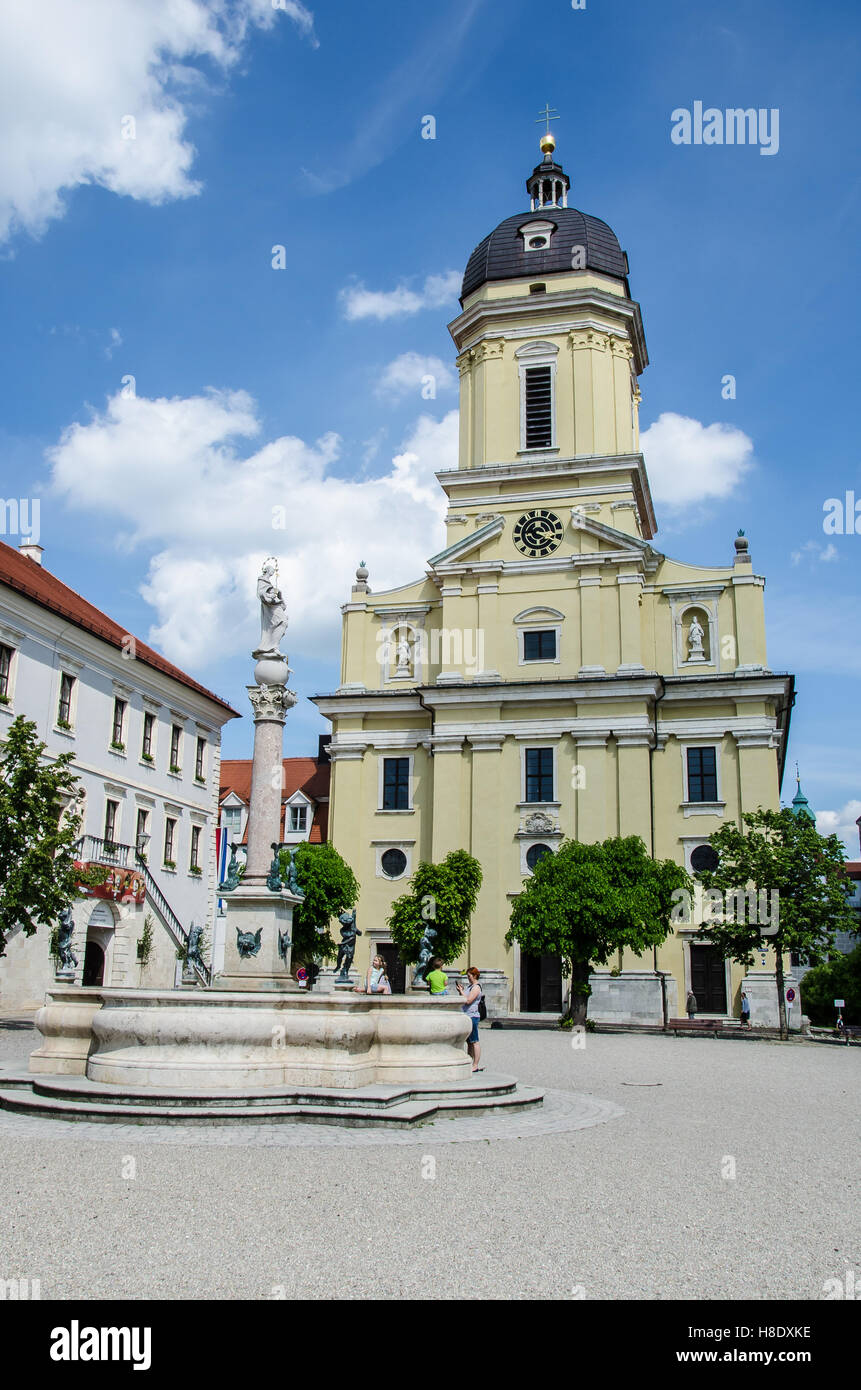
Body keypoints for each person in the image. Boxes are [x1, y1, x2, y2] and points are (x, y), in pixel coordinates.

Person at [456, 966, 483, 1072]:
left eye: (469, 976)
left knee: (475, 1041)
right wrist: (461, 991)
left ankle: (475, 1065)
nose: (468, 978)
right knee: (469, 1041)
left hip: (472, 1016)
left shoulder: (476, 987)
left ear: (475, 975)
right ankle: (469, 1062)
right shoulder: (470, 986)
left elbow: (468, 1001)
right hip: (467, 1015)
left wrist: (462, 992)